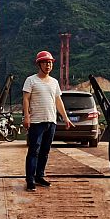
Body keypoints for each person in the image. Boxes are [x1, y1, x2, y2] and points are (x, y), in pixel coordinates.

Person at [22, 51, 72, 191]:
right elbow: (25, 99)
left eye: (50, 62)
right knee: (34, 151)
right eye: (45, 62)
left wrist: (65, 117)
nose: (48, 65)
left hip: (51, 121)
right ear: (39, 64)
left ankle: (40, 176)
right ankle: (30, 179)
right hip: (37, 122)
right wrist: (26, 117)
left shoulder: (54, 82)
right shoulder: (31, 80)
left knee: (45, 151)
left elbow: (58, 100)